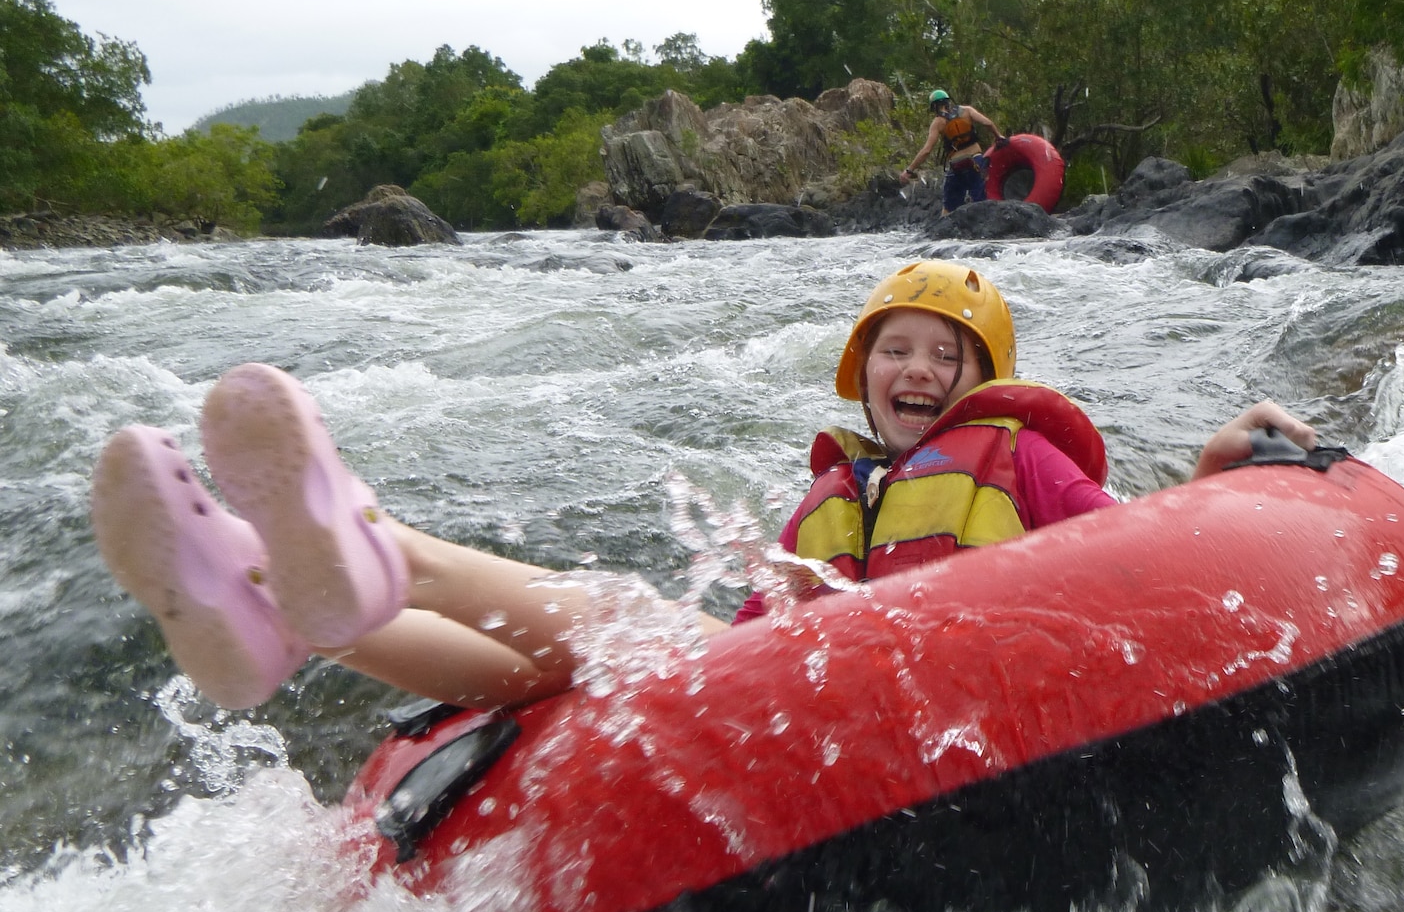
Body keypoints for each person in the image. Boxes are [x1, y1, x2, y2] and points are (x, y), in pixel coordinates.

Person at [90, 261, 1315, 714]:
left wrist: (1207, 478)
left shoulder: (1022, 457)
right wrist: (789, 590)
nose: (920, 368)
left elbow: (1134, 560)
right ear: (860, 373)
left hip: (946, 699)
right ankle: (277, 603)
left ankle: (380, 549)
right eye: (898, 348)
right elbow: (741, 662)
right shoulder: (823, 510)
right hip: (829, 704)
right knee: (559, 674)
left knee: (624, 627)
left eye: (947, 358)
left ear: (979, 386)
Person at [899, 89, 1004, 213]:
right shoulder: (967, 110)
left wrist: (909, 170)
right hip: (975, 161)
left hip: (956, 167)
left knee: (949, 209)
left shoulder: (937, 123)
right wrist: (998, 136)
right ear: (948, 102)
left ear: (934, 107)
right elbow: (987, 123)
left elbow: (926, 150)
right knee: (981, 202)